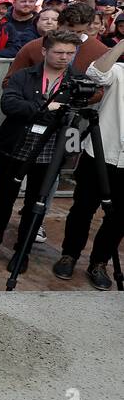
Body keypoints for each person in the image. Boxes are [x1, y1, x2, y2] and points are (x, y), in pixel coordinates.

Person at [0, 29, 86, 273]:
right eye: (59, 52)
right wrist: (47, 108)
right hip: (17, 143)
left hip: (51, 149)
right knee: (3, 197)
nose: (65, 57)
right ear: (45, 51)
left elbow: (75, 119)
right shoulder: (24, 75)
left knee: (37, 202)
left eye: (70, 53)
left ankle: (22, 250)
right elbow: (9, 104)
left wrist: (69, 152)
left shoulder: (76, 82)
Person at [54, 34, 124, 289]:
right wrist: (121, 45)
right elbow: (96, 74)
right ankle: (69, 254)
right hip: (101, 153)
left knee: (119, 218)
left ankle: (100, 262)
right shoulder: (118, 71)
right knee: (82, 209)